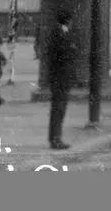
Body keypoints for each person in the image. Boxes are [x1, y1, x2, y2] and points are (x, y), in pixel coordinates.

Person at [46, 9, 76, 150]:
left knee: (58, 108)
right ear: (69, 20)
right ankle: (56, 138)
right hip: (60, 76)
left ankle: (55, 137)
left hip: (60, 76)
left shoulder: (59, 32)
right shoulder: (60, 34)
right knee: (59, 108)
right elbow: (63, 54)